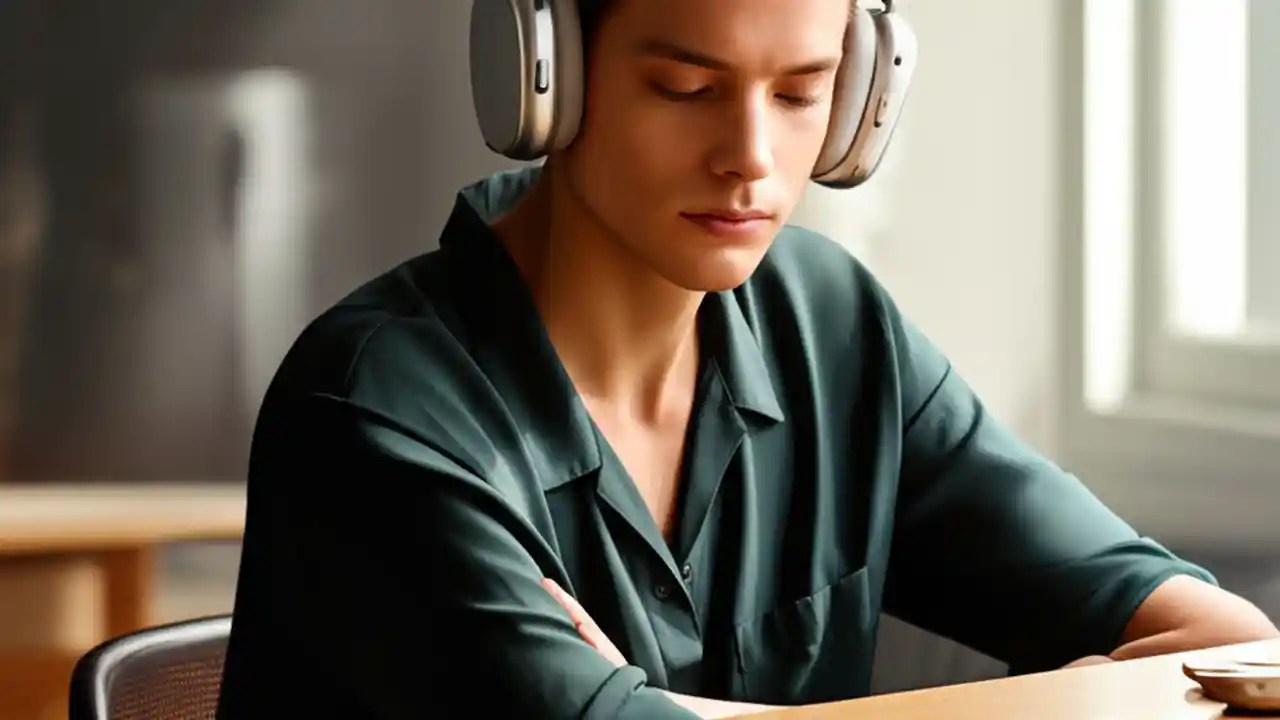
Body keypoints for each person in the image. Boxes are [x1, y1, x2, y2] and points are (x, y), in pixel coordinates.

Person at [215, 0, 1279, 718]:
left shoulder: (831, 322)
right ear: (549, 80)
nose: (752, 161)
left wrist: (678, 709)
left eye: (801, 92)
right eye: (685, 88)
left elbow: (1233, 654)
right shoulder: (372, 415)